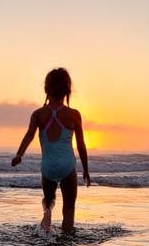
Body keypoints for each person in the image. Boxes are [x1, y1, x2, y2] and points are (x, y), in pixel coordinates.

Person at [11, 67, 90, 234]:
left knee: (49, 198)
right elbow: (81, 144)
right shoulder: (74, 114)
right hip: (67, 166)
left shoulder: (38, 114)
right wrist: (86, 171)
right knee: (69, 207)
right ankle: (66, 241)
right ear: (67, 90)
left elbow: (29, 136)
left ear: (46, 89)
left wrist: (19, 154)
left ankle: (47, 212)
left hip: (47, 166)